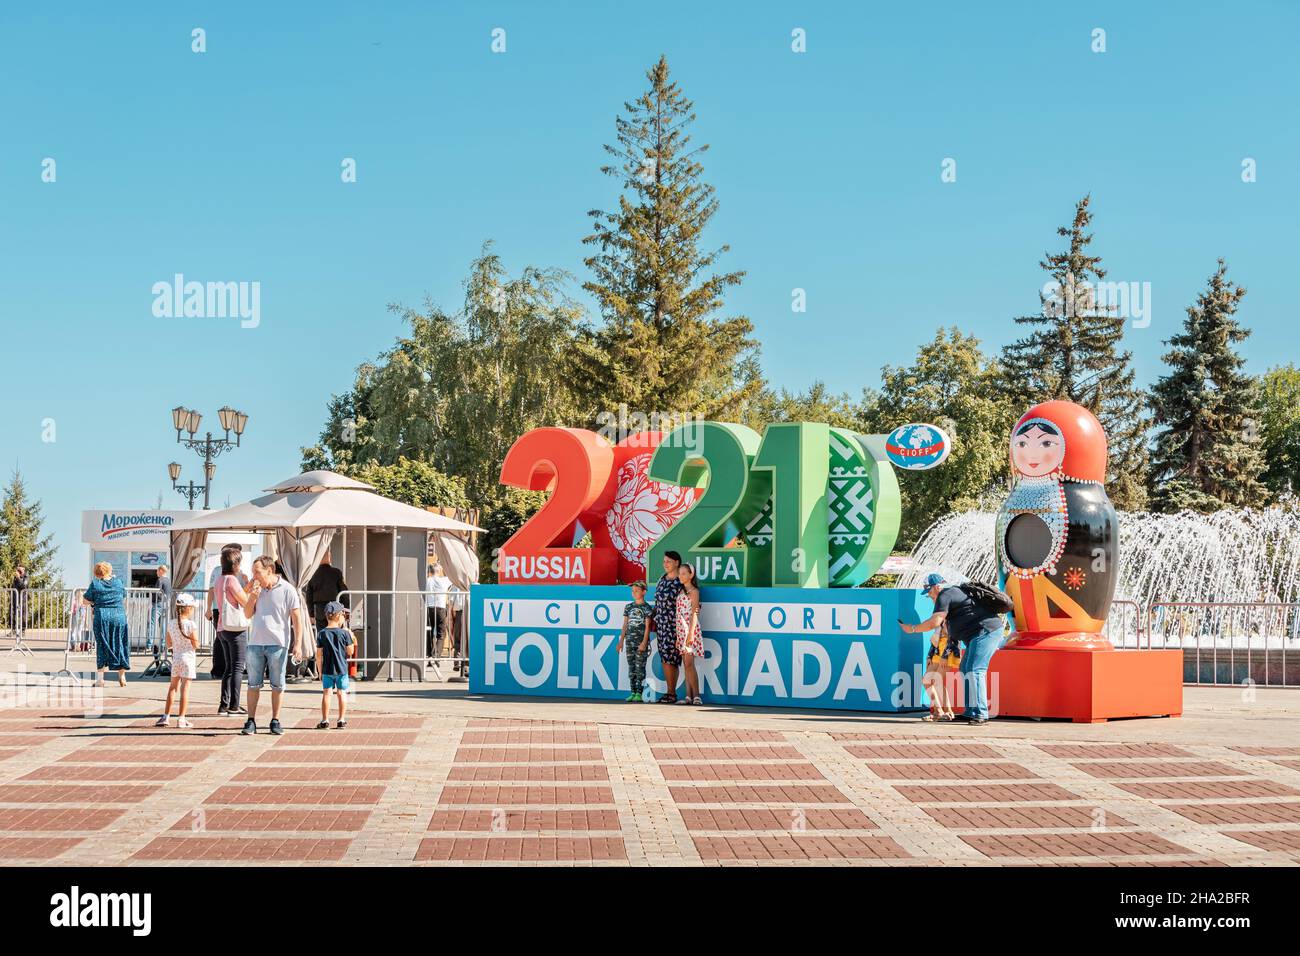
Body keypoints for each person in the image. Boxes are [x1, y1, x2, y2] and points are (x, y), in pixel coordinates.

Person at [901, 573, 1006, 724]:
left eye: (929, 592)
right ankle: (971, 711)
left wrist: (911, 629)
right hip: (977, 635)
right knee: (965, 669)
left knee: (975, 670)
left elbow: (935, 622)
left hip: (986, 631)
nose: (929, 596)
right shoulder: (952, 593)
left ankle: (980, 713)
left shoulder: (946, 594)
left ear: (937, 587)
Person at [240, 555, 306, 736]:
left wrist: (298, 643)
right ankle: (251, 720)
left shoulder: (287, 589)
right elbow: (246, 614)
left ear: (269, 571)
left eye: (257, 572)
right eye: (253, 572)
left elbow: (296, 619)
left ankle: (275, 720)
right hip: (255, 643)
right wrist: (252, 597)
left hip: (278, 644)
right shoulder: (256, 589)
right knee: (253, 684)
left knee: (278, 685)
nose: (254, 576)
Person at [213, 547, 250, 716]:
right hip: (235, 628)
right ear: (235, 564)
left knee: (229, 667)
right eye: (239, 562)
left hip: (222, 627)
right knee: (237, 667)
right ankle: (234, 705)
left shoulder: (219, 579)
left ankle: (223, 704)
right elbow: (244, 601)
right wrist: (253, 592)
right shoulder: (232, 580)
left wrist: (248, 587)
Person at [82, 562, 130, 687]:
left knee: (102, 646)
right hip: (119, 616)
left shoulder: (95, 584)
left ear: (97, 573)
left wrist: (95, 602)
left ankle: (100, 680)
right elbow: (123, 596)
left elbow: (85, 600)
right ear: (109, 570)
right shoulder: (118, 582)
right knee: (120, 643)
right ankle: (122, 676)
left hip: (102, 617)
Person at [157, 593, 200, 728]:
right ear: (189, 608)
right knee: (185, 689)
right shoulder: (191, 625)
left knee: (172, 688)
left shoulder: (170, 623)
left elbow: (168, 643)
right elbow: (196, 645)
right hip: (188, 659)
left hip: (176, 659)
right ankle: (181, 718)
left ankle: (166, 716)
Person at [314, 601, 354, 729]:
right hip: (341, 669)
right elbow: (350, 651)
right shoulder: (344, 633)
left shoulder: (322, 633)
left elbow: (319, 655)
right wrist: (351, 636)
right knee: (342, 693)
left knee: (327, 693)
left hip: (327, 669)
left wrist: (319, 671)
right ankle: (341, 720)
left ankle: (325, 720)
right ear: (338, 616)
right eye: (343, 614)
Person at [650, 551, 684, 704]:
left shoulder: (681, 581)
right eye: (664, 561)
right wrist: (652, 618)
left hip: (675, 625)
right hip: (661, 625)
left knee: (672, 659)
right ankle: (670, 692)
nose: (665, 564)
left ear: (676, 562)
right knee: (665, 658)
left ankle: (671, 693)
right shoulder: (661, 580)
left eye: (668, 561)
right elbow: (657, 603)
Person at [617, 581, 652, 702]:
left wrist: (644, 642)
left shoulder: (647, 608)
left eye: (637, 590)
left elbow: (648, 627)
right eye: (633, 591)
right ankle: (632, 691)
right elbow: (625, 625)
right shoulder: (628, 607)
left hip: (640, 642)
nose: (634, 593)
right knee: (631, 667)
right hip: (629, 642)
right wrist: (621, 641)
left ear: (644, 592)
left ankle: (639, 692)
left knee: (639, 667)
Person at [675, 563, 705, 705]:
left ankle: (697, 695)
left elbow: (694, 613)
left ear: (691, 575)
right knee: (685, 664)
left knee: (689, 663)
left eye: (684, 574)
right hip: (681, 630)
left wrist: (691, 634)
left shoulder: (694, 591)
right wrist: (678, 635)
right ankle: (688, 696)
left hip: (690, 629)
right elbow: (678, 614)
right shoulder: (680, 592)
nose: (681, 576)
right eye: (679, 573)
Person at [920, 621, 960, 722]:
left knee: (937, 680)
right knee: (926, 680)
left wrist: (945, 656)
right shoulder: (939, 616)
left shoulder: (953, 614)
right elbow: (935, 637)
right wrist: (929, 655)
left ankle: (948, 711)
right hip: (937, 651)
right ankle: (938, 711)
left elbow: (954, 638)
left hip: (948, 650)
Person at [425, 562, 451, 660]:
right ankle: (436, 656)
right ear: (439, 571)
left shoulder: (427, 581)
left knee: (429, 631)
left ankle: (428, 654)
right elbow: (451, 576)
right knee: (441, 633)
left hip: (429, 608)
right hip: (440, 608)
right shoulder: (444, 580)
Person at [148, 564, 172, 653]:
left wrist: (153, 602)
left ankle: (149, 644)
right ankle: (163, 645)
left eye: (157, 571)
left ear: (161, 571)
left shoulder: (160, 580)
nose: (156, 573)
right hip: (166, 604)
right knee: (163, 625)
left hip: (158, 604)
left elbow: (157, 592)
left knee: (152, 623)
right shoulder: (169, 581)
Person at [9, 566, 27, 637]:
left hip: (23, 599)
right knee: (12, 614)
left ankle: (22, 631)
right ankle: (13, 630)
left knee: (23, 615)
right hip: (14, 598)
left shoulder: (26, 577)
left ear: (23, 570)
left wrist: (19, 578)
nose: (18, 571)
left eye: (20, 569)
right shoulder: (15, 578)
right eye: (17, 569)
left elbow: (24, 586)